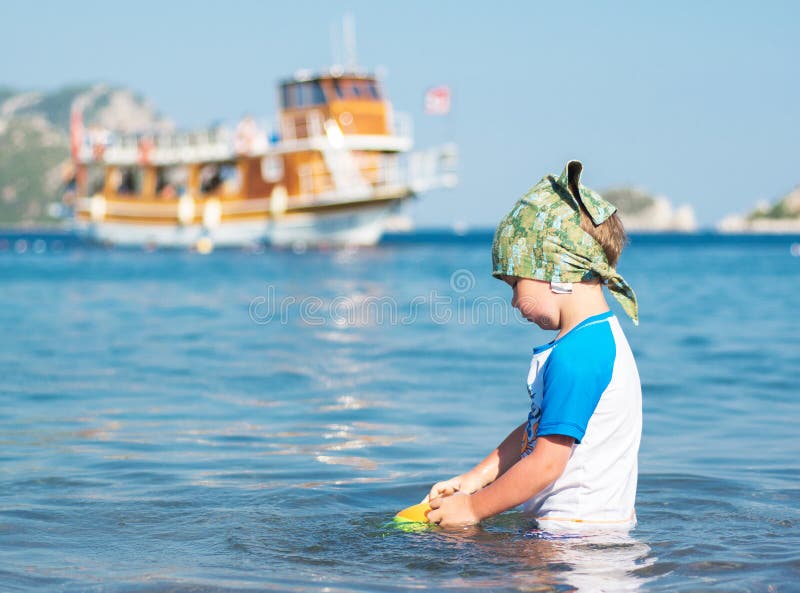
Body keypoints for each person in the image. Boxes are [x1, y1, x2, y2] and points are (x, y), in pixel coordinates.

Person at [425, 160, 642, 531]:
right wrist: (476, 478)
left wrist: (473, 509)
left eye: (515, 285)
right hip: (584, 530)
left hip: (574, 538)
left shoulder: (579, 354)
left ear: (555, 273)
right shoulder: (593, 339)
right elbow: (536, 432)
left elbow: (545, 464)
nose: (513, 303)